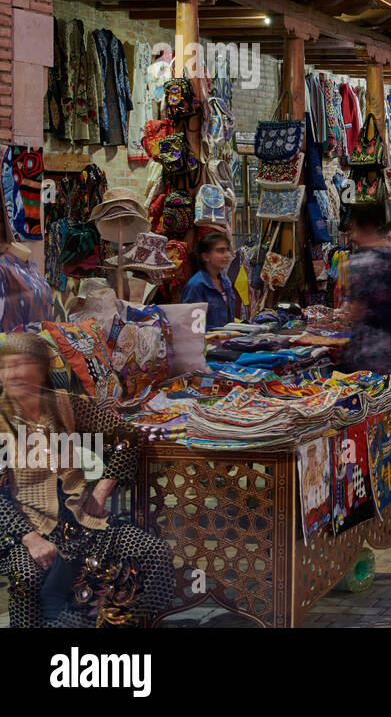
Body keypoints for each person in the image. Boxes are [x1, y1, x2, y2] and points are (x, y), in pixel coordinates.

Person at [0, 333, 173, 627]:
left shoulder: (66, 406)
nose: (13, 373)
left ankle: (103, 624)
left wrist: (102, 490)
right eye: (6, 366)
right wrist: (31, 539)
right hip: (22, 531)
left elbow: (127, 438)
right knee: (26, 577)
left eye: (22, 364)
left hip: (81, 524)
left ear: (41, 369)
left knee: (154, 553)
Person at [338, 203, 391, 374]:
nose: (352, 236)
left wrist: (344, 319)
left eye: (353, 229)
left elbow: (357, 311)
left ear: (365, 227)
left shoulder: (362, 262)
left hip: (377, 352)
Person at [181, 233, 240, 330]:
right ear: (205, 257)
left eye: (227, 250)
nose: (226, 255)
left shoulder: (225, 282)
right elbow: (192, 326)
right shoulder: (197, 285)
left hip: (225, 341)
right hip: (207, 343)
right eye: (220, 251)